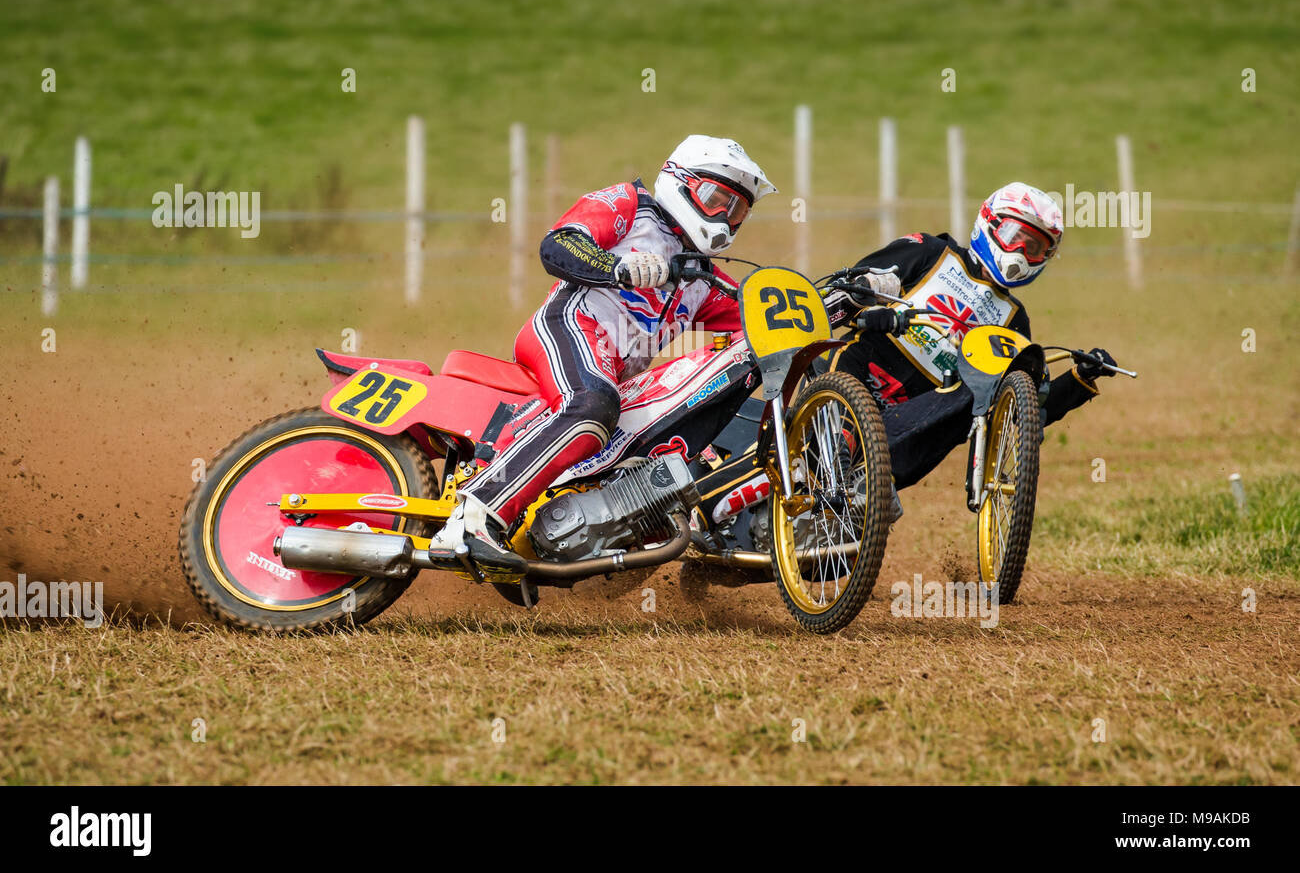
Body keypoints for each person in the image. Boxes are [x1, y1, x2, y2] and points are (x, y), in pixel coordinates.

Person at [432, 135, 781, 572]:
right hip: (569, 326)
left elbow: (762, 322)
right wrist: (616, 268)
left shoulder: (700, 278)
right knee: (591, 406)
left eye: (737, 210)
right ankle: (471, 519)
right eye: (716, 199)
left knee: (653, 434)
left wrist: (854, 293)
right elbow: (558, 245)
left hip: (614, 373)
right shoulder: (631, 205)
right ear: (680, 181)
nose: (724, 218)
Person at [822, 182, 1118, 513]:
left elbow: (1020, 411)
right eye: (1014, 236)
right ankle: (837, 448)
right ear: (989, 223)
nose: (1020, 253)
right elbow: (850, 287)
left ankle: (874, 481)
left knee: (975, 399)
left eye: (1033, 247)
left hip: (921, 413)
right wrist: (869, 309)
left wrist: (1078, 380)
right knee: (848, 385)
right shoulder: (930, 252)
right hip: (860, 369)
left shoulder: (1014, 320)